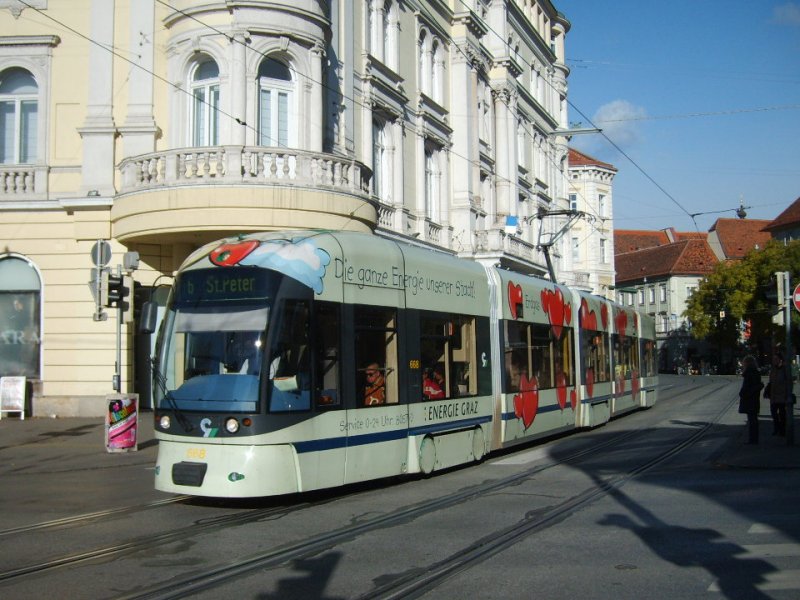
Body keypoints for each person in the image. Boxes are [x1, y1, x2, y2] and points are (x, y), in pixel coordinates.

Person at [738, 355, 763, 444]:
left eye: (744, 362)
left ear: (747, 363)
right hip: (754, 399)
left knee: (752, 419)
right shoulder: (755, 372)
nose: (743, 364)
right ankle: (753, 439)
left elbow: (747, 387)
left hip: (749, 399)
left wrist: (742, 393)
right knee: (753, 419)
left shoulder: (749, 373)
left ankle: (753, 440)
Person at [767, 349, 790, 436]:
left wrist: (787, 393)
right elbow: (771, 382)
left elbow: (788, 382)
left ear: (780, 360)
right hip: (773, 395)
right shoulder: (773, 370)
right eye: (773, 359)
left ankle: (782, 430)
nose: (774, 361)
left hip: (782, 395)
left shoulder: (784, 369)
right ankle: (776, 428)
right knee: (774, 413)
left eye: (776, 359)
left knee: (782, 414)